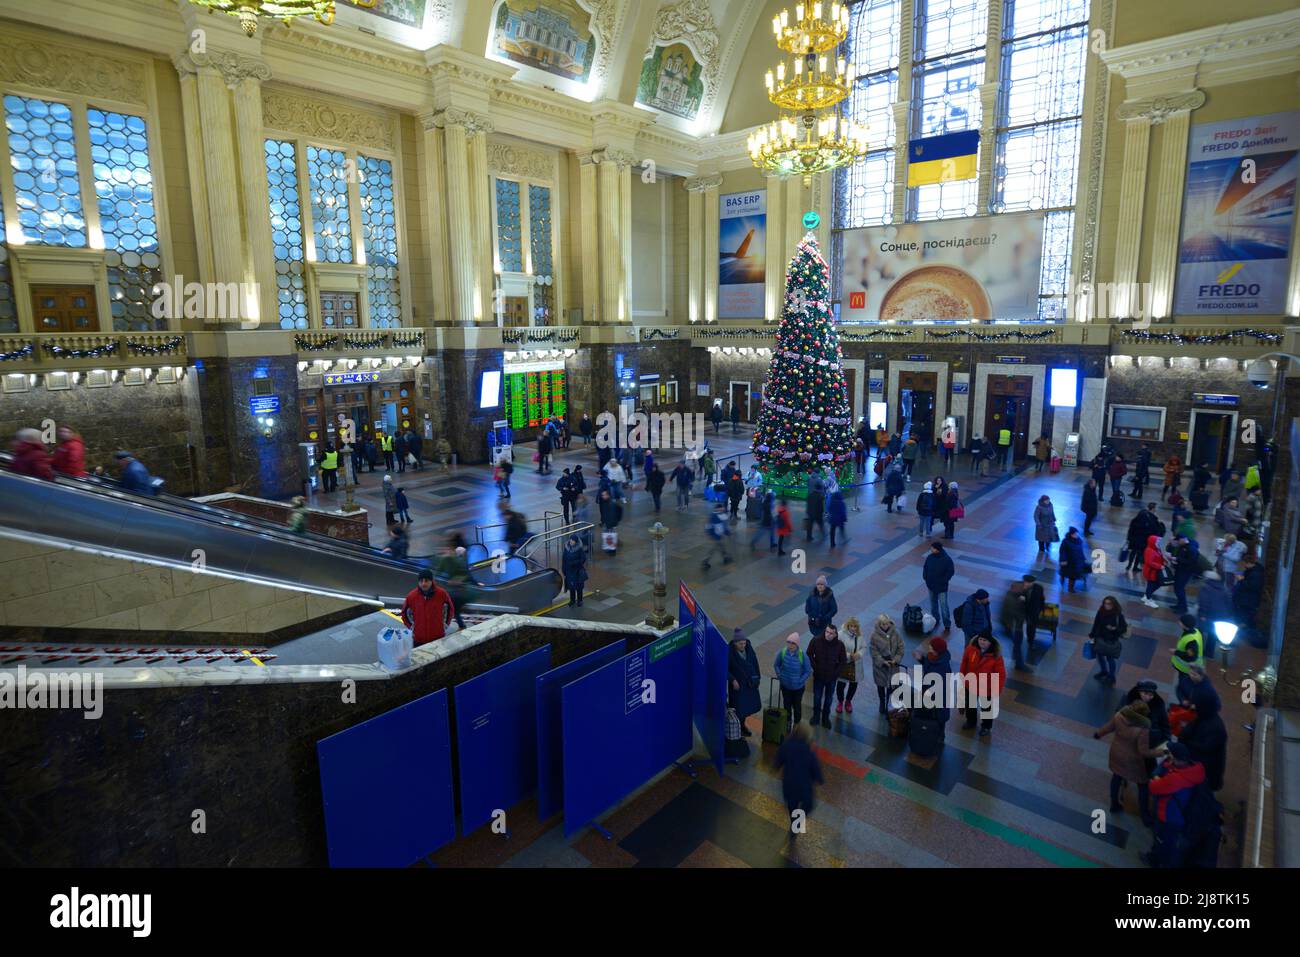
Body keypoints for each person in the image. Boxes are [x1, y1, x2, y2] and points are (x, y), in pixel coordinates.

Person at [1144, 743, 1213, 868]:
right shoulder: (1194, 769)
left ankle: (1157, 862)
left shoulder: (1176, 779)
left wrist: (1157, 780)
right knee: (1168, 843)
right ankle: (1157, 858)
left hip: (1168, 816)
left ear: (1176, 758)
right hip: (1181, 815)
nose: (1168, 755)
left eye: (1170, 754)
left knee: (1163, 842)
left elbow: (1153, 787)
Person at [1093, 700, 1160, 825]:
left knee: (1116, 778)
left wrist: (1098, 734)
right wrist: (1160, 752)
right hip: (1133, 761)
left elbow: (1108, 727)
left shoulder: (1119, 716)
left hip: (1116, 753)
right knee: (1143, 785)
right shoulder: (1143, 729)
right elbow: (1143, 751)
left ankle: (1114, 804)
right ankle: (1145, 816)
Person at [773, 722, 823, 834]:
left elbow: (777, 763)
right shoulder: (809, 752)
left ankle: (794, 824)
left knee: (792, 806)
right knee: (808, 805)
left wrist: (775, 768)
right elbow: (816, 770)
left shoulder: (786, 746)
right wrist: (819, 779)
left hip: (789, 786)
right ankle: (798, 822)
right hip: (804, 787)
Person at [959, 632, 1006, 737]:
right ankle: (971, 721)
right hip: (971, 684)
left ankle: (986, 726)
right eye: (980, 639)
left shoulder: (996, 656)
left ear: (990, 642)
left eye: (985, 640)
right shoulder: (970, 649)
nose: (982, 642)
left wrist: (997, 690)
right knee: (970, 705)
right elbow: (964, 663)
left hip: (987, 687)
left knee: (987, 709)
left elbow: (1001, 675)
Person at [807, 623, 847, 729]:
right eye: (827, 632)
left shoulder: (839, 645)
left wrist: (836, 673)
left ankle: (825, 718)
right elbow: (809, 654)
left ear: (835, 635)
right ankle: (816, 716)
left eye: (831, 633)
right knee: (817, 697)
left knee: (829, 699)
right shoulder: (816, 641)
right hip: (819, 676)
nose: (828, 634)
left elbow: (843, 661)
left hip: (831, 678)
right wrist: (815, 667)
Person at [400, 569, 454, 646]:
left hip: (437, 637)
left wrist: (446, 624)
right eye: (421, 581)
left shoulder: (442, 594)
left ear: (431, 581)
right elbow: (404, 613)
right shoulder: (411, 596)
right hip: (418, 638)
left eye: (426, 581)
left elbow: (450, 609)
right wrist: (411, 627)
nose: (423, 584)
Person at [999, 575, 1039, 672]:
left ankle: (1017, 660)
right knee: (1017, 645)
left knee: (1017, 644)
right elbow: (1015, 615)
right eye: (1022, 588)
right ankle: (1019, 664)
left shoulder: (1015, 595)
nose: (1024, 589)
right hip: (1013, 627)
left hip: (1013, 626)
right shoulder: (1013, 600)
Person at [773, 633, 812, 730]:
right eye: (788, 642)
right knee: (787, 706)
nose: (790, 645)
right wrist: (780, 675)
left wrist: (800, 681)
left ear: (797, 644)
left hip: (798, 688)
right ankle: (788, 722)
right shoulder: (783, 652)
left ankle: (797, 723)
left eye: (793, 643)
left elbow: (808, 671)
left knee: (797, 707)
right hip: (785, 686)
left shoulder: (802, 655)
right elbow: (776, 665)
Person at [868, 613, 904, 716]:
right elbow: (874, 652)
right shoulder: (874, 636)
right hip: (880, 667)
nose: (885, 626)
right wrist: (882, 661)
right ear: (879, 624)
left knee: (892, 687)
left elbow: (901, 648)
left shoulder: (896, 634)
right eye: (883, 624)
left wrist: (896, 659)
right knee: (880, 686)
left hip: (893, 666)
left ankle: (889, 703)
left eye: (887, 623)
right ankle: (882, 702)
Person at [435, 539, 476, 629]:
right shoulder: (451, 559)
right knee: (454, 609)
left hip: (457, 591)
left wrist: (457, 580)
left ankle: (449, 625)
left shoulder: (453, 559)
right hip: (458, 591)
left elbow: (438, 572)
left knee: (451, 608)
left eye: (446, 549)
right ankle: (460, 623)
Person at [1089, 595, 1128, 684]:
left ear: (1114, 605)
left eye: (1109, 604)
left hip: (1111, 640)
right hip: (1100, 638)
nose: (1107, 606)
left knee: (1110, 659)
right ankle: (1104, 671)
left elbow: (1123, 628)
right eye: (1105, 603)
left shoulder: (1118, 615)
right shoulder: (1100, 612)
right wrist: (1092, 635)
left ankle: (1111, 676)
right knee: (1100, 656)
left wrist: (1114, 629)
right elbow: (1096, 623)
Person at [1172, 613, 1204, 704]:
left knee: (1185, 686)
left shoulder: (1191, 640)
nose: (1178, 622)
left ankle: (1185, 702)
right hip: (1190, 668)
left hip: (1187, 669)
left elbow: (1191, 656)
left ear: (1184, 625)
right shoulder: (1196, 631)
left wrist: (1175, 652)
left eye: (1180, 621)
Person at [923, 541, 955, 631]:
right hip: (931, 585)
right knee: (933, 605)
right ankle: (935, 620)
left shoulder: (947, 559)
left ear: (937, 550)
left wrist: (944, 581)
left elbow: (950, 572)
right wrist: (925, 577)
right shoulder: (930, 557)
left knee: (943, 605)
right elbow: (925, 567)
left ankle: (947, 623)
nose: (931, 549)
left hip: (941, 587)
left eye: (932, 548)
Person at [835, 617, 865, 715]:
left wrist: (859, 654)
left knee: (853, 684)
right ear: (848, 626)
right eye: (851, 626)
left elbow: (864, 647)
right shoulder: (840, 634)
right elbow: (837, 648)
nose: (853, 628)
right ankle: (840, 702)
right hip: (844, 664)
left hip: (855, 665)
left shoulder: (859, 636)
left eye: (855, 626)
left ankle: (848, 701)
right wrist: (849, 655)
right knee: (841, 685)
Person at [1126, 503, 1164, 575]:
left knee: (1133, 552)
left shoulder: (1139, 515)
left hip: (1134, 539)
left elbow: (1131, 527)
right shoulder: (1152, 519)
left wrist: (1129, 538)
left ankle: (1129, 565)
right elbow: (1155, 531)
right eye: (1156, 508)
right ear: (1153, 509)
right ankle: (1135, 567)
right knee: (1139, 553)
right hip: (1143, 540)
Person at [1167, 532, 1199, 613]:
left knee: (1179, 589)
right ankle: (1180, 605)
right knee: (1178, 588)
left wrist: (1177, 559)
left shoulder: (1191, 548)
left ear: (1182, 539)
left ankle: (1183, 608)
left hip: (1185, 572)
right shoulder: (1184, 546)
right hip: (1180, 570)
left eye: (1178, 540)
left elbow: (1191, 561)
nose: (1177, 542)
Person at [804, 574, 837, 639]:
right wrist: (810, 614)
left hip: (824, 623)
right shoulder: (812, 594)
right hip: (813, 622)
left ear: (825, 586)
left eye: (822, 584)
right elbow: (808, 605)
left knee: (823, 638)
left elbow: (834, 609)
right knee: (816, 637)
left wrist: (826, 617)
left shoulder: (829, 596)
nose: (820, 586)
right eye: (818, 584)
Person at [702, 501, 733, 569]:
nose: (723, 509)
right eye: (722, 508)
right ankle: (705, 562)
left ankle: (725, 558)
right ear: (719, 509)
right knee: (713, 549)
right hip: (717, 536)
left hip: (716, 535)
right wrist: (728, 533)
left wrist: (710, 534)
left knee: (721, 546)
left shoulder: (714, 515)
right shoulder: (718, 516)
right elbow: (724, 526)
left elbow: (709, 526)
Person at [1059, 526, 1089, 593]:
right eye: (1075, 534)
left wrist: (1083, 558)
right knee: (1071, 575)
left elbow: (1080, 551)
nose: (1076, 535)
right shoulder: (1065, 542)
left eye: (1076, 534)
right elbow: (1062, 552)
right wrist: (1063, 560)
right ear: (1071, 534)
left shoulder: (1079, 541)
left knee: (1074, 575)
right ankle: (1069, 587)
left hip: (1078, 561)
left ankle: (1070, 586)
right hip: (1069, 562)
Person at [561, 534, 588, 607]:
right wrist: (563, 568)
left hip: (577, 571)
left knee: (579, 586)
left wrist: (574, 563)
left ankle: (580, 600)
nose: (571, 541)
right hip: (569, 570)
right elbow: (564, 559)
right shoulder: (566, 548)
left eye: (573, 540)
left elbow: (583, 559)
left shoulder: (579, 549)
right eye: (571, 540)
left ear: (576, 542)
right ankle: (572, 600)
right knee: (571, 586)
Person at [1033, 494, 1059, 564]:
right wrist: (1038, 524)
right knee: (1041, 538)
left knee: (1049, 537)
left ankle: (1048, 547)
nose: (1048, 501)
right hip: (1042, 526)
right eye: (1046, 500)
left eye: (1048, 500)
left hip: (1049, 525)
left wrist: (1054, 520)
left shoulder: (1050, 505)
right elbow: (1036, 516)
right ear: (1043, 501)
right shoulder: (1039, 507)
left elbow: (1052, 513)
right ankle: (1041, 549)